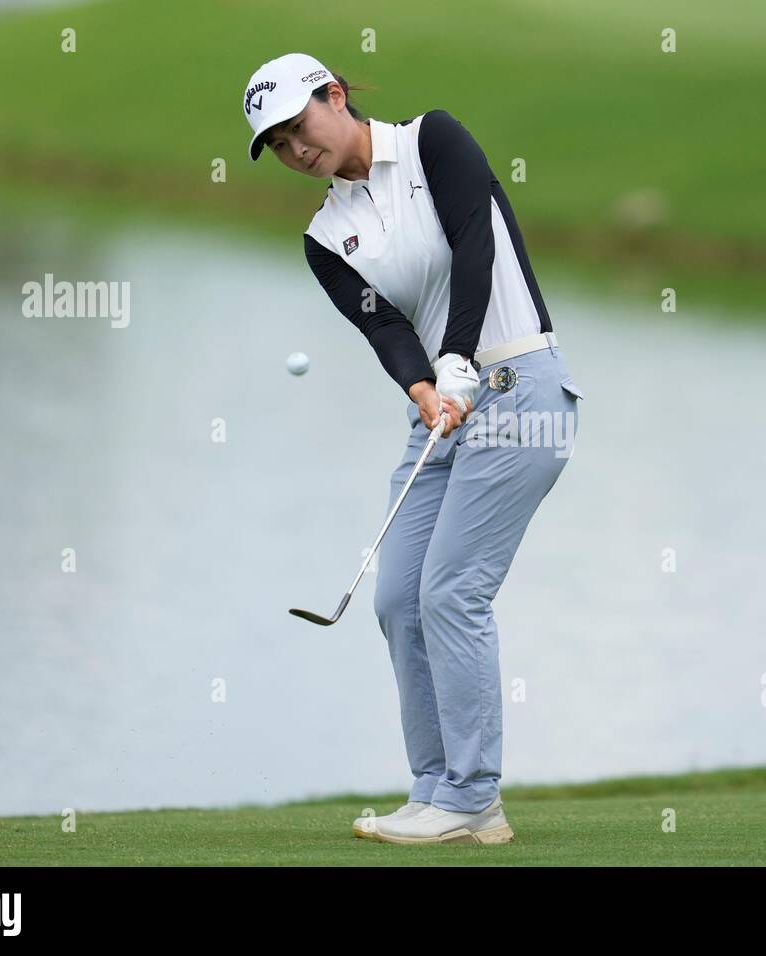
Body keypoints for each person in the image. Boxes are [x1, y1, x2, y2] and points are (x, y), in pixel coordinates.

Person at [243, 53, 585, 845]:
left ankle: (473, 796)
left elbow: (475, 244)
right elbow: (385, 325)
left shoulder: (435, 141)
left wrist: (460, 357)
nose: (296, 149)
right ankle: (436, 789)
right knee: (399, 597)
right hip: (443, 411)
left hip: (522, 389)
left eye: (300, 125)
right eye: (279, 144)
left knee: (452, 591)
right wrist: (424, 387)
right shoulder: (325, 236)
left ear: (336, 97)